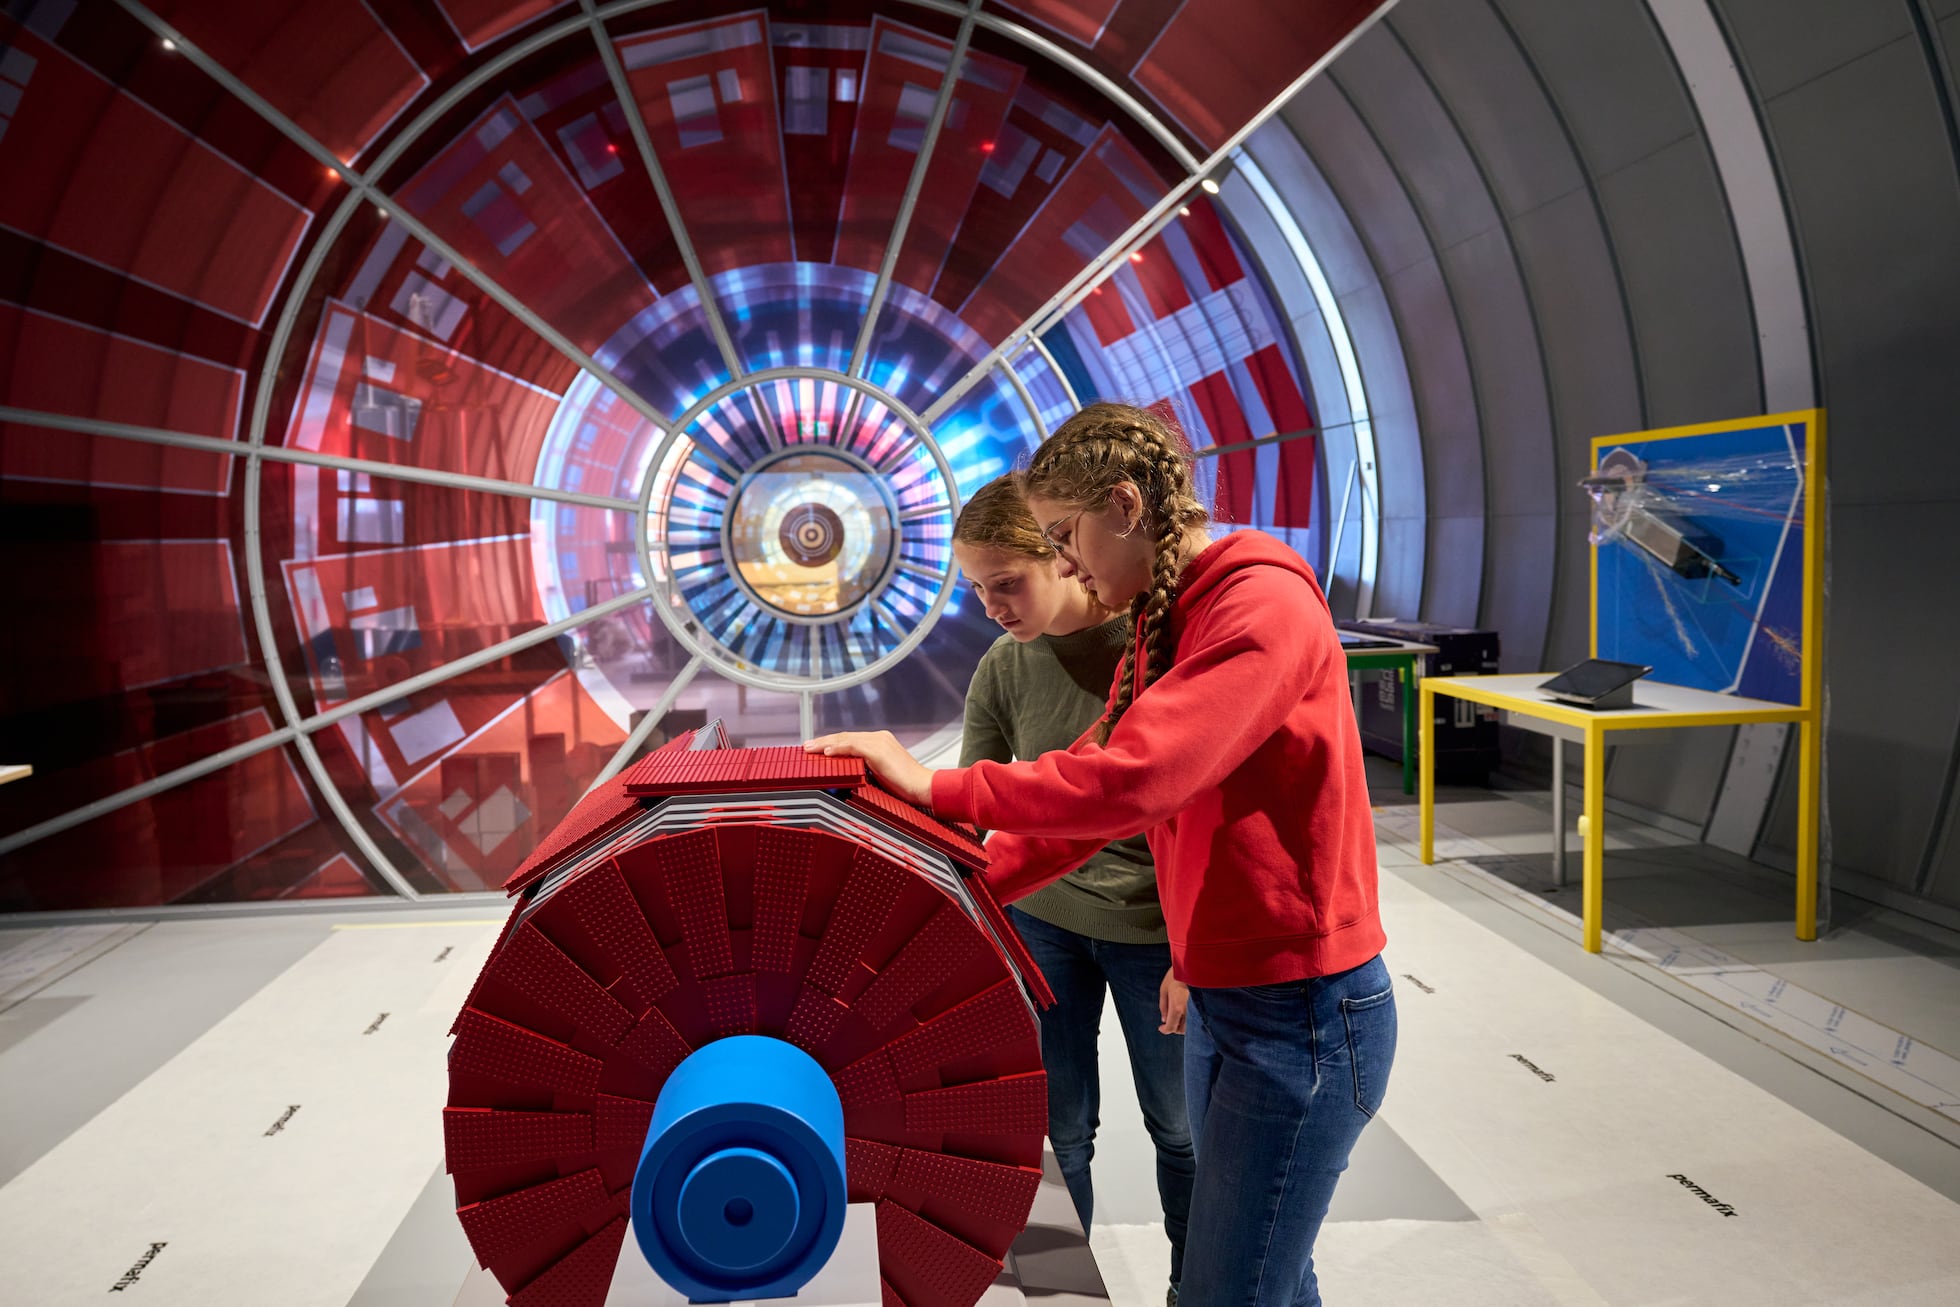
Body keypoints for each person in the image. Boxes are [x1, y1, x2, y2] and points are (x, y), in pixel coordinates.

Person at [807, 402, 1396, 1307]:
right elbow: (1084, 799)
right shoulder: (1166, 626)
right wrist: (938, 906)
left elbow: (1134, 778)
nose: (1067, 563)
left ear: (1124, 504)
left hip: (1303, 1016)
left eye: (1062, 535)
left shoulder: (1259, 604)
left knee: (1227, 1285)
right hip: (1236, 1001)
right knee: (1269, 1273)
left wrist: (939, 789)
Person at [951, 474, 1194, 1306]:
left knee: (1183, 1128)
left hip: (1157, 932)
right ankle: (1057, 1296)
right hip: (1042, 924)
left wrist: (1197, 953)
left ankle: (1195, 1286)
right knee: (1054, 1135)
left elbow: (1201, 810)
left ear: (1061, 554)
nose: (992, 605)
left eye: (1005, 582)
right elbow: (966, 816)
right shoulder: (1002, 667)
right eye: (977, 589)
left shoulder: (1160, 645)